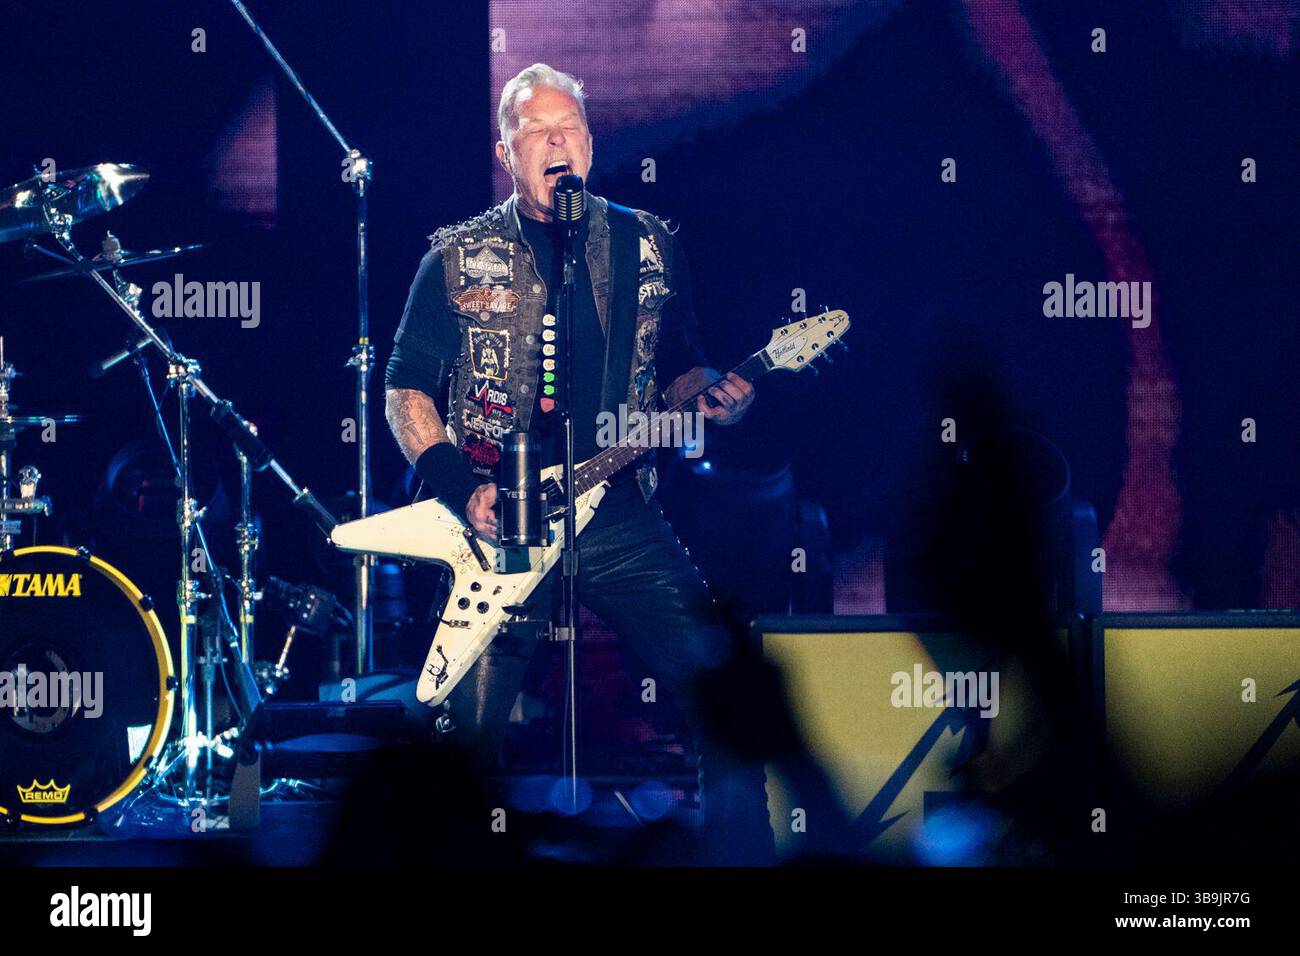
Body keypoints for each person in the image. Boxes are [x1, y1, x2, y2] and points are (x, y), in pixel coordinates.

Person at [383, 63, 771, 863]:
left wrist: (713, 394)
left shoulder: (648, 244)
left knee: (728, 697)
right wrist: (464, 488)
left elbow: (682, 365)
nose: (557, 141)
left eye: (571, 129)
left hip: (619, 511)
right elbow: (404, 390)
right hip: (500, 518)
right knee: (455, 751)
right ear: (505, 150)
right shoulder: (457, 258)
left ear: (590, 144)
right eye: (538, 131)